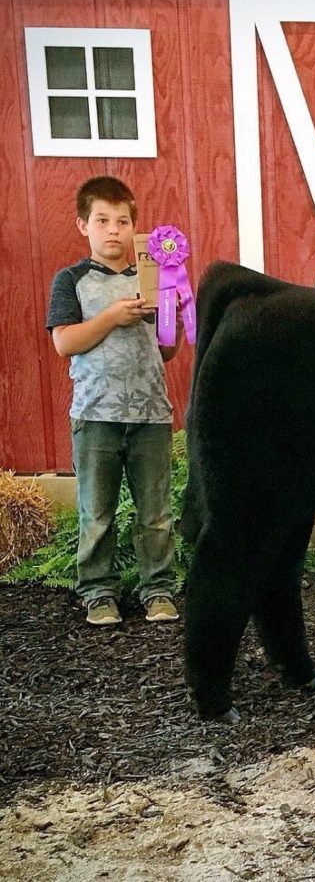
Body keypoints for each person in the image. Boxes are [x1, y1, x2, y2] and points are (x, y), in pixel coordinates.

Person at [46, 176, 184, 626]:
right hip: (95, 413)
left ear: (134, 229)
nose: (113, 230)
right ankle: (98, 592)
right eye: (102, 220)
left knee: (156, 514)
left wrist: (174, 316)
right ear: (82, 225)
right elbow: (66, 343)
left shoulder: (154, 276)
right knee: (97, 511)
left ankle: (158, 590)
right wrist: (112, 316)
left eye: (122, 221)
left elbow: (167, 349)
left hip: (151, 413)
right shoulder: (71, 280)